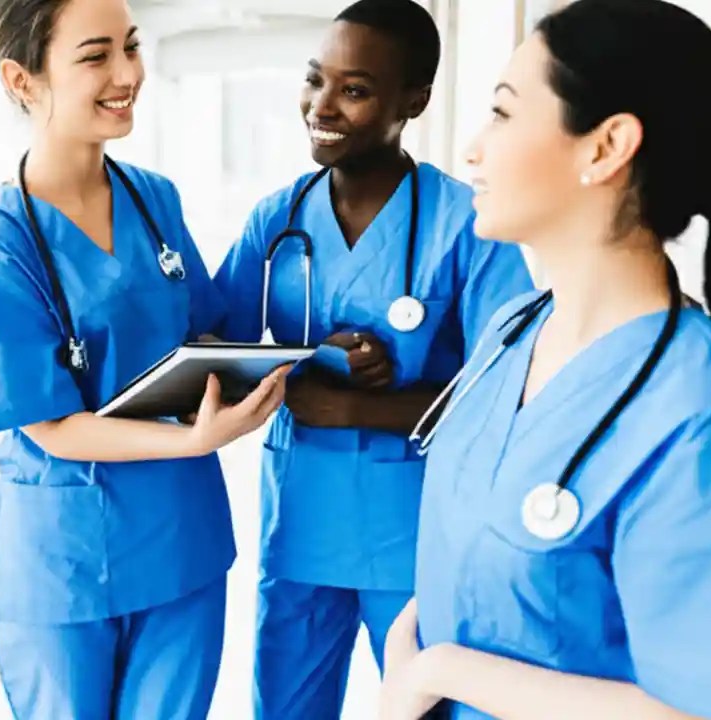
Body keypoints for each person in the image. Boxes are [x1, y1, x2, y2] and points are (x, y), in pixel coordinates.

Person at [382, 1, 711, 718]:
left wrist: (443, 671)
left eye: (504, 114)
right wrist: (408, 649)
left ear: (605, 148)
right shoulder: (513, 331)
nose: (472, 150)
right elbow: (481, 535)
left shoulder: (707, 422)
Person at [0, 0, 289, 717]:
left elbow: (204, 333)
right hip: (64, 566)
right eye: (96, 56)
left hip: (181, 545)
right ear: (22, 79)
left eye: (132, 47)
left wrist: (253, 370)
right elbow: (51, 426)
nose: (128, 73)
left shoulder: (154, 201)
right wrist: (194, 438)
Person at [211, 1, 534, 716]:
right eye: (315, 80)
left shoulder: (466, 224)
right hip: (300, 523)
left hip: (416, 531)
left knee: (430, 704)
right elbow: (216, 351)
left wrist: (358, 407)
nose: (321, 106)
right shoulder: (279, 218)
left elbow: (509, 391)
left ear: (411, 101)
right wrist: (307, 363)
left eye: (354, 90)